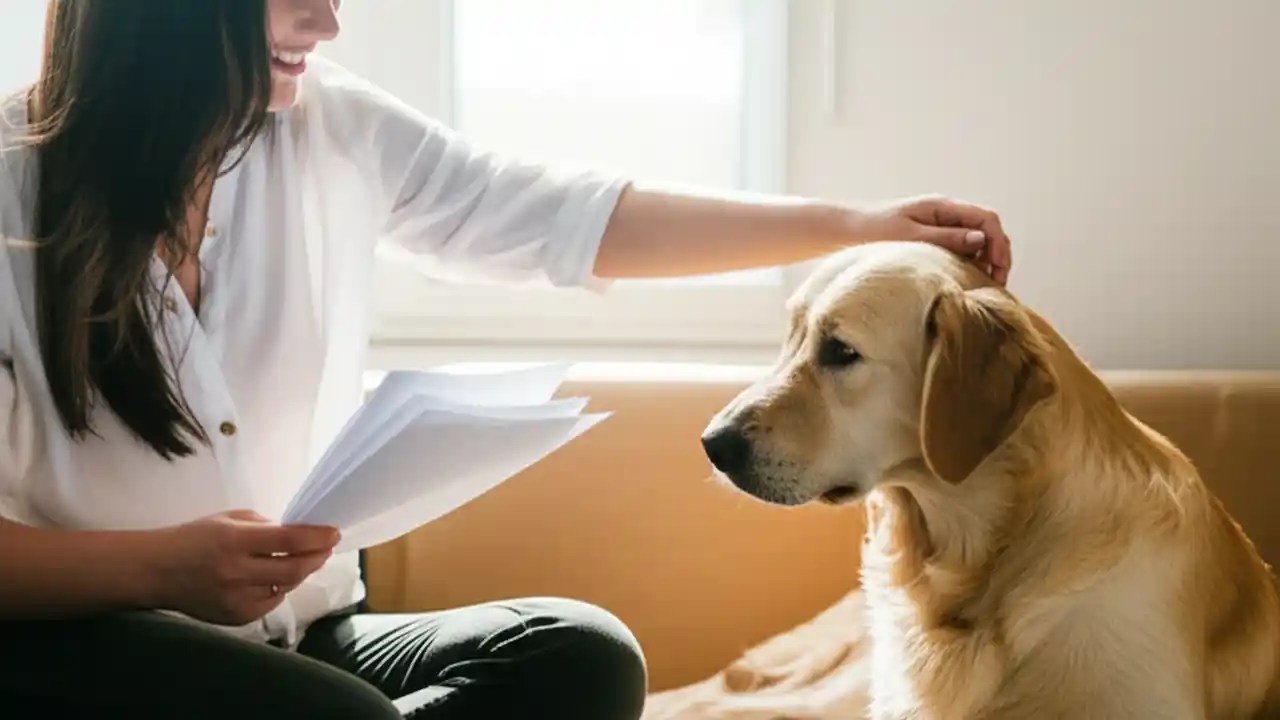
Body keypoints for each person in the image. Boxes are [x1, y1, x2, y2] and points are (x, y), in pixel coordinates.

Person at [0, 1, 1012, 718]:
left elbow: (571, 218)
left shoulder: (332, 129)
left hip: (304, 637)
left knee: (580, 658)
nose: (329, 21)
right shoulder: (10, 190)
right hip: (81, 647)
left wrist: (856, 226)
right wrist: (162, 568)